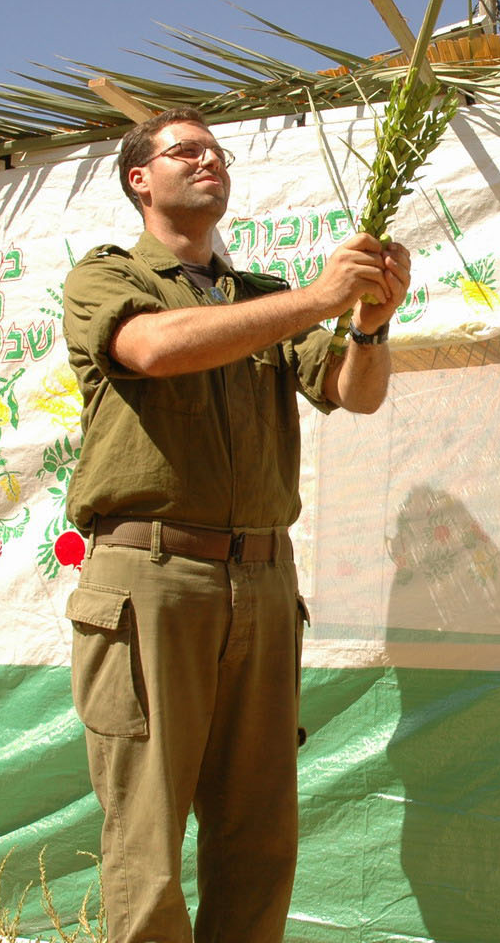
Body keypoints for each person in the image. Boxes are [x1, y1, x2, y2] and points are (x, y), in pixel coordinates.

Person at [61, 106, 409, 943]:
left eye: (217, 151)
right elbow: (155, 350)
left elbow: (356, 392)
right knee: (146, 837)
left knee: (259, 835)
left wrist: (367, 320)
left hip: (263, 580)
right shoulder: (107, 279)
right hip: (151, 579)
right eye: (186, 150)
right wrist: (319, 295)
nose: (208, 159)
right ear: (140, 179)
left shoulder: (261, 297)